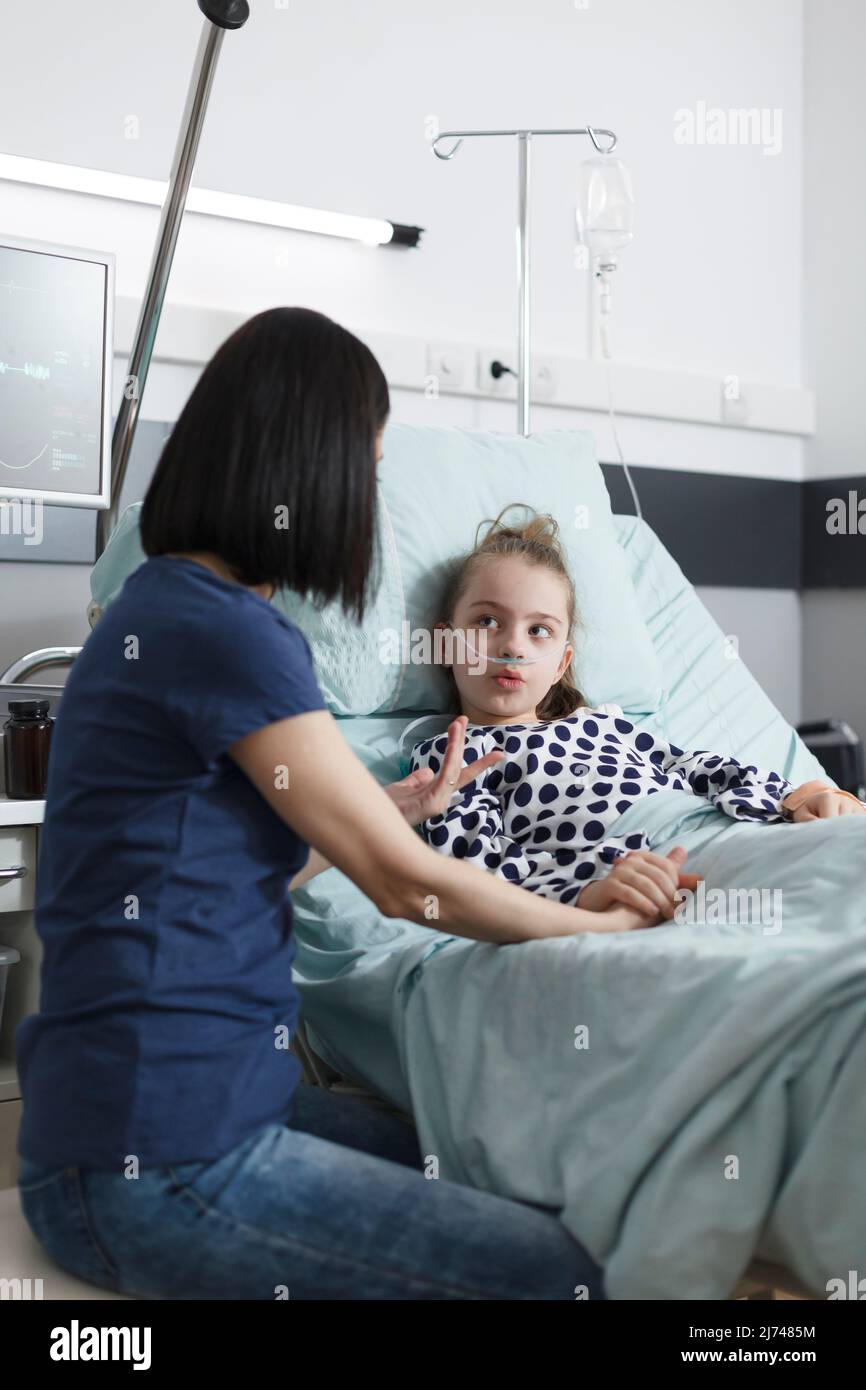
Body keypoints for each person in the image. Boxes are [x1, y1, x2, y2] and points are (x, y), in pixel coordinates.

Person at [15, 308, 688, 1302]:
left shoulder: (161, 608)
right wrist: (600, 924)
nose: (365, 504)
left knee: (495, 1158)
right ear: (310, 468)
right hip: (160, 1160)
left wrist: (389, 811)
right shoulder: (229, 635)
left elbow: (228, 873)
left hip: (198, 1113)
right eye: (366, 472)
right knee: (556, 1272)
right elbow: (409, 889)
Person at [410, 508, 866, 915]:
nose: (513, 646)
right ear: (445, 642)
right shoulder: (452, 759)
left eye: (539, 631)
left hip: (738, 825)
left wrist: (799, 799)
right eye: (487, 621)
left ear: (561, 665)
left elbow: (696, 768)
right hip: (655, 864)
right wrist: (586, 889)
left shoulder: (604, 724)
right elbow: (476, 868)